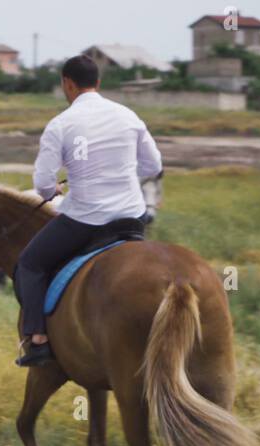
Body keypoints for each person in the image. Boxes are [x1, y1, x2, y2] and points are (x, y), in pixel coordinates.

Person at [15, 55, 162, 367]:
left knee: (29, 264)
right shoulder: (128, 116)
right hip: (132, 219)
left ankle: (38, 339)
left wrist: (50, 191)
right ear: (98, 82)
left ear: (68, 84)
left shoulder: (61, 124)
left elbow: (42, 181)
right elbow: (154, 166)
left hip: (86, 220)